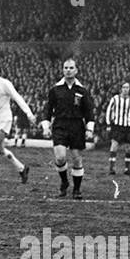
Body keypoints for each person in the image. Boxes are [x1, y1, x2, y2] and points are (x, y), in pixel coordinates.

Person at [41, 58, 95, 199]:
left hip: (77, 126)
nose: (68, 70)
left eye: (71, 68)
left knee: (77, 159)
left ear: (76, 70)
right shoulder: (55, 89)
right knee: (60, 157)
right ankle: (64, 182)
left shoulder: (82, 90)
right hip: (60, 125)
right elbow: (47, 109)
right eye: (66, 68)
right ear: (63, 70)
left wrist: (89, 129)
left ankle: (76, 190)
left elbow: (89, 111)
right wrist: (46, 126)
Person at [104, 81, 130, 176]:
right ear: (121, 88)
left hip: (128, 127)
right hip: (117, 126)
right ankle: (112, 168)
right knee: (114, 145)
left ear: (129, 89)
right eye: (124, 87)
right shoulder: (115, 99)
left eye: (127, 88)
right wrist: (108, 124)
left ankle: (127, 169)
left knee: (129, 148)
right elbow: (108, 111)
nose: (125, 89)